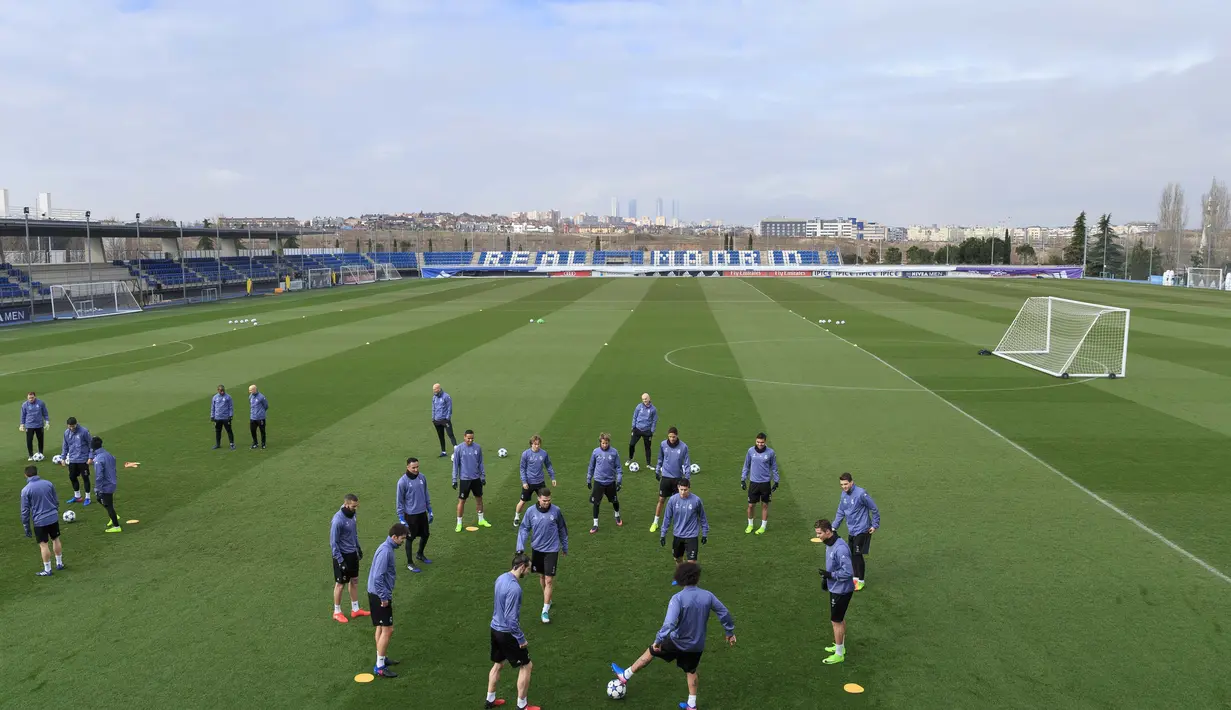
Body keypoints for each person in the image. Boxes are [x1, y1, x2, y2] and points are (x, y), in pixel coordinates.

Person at [610, 563, 735, 710]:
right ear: (697, 577)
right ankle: (691, 705)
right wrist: (729, 632)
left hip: (677, 642)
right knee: (691, 671)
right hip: (696, 645)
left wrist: (658, 640)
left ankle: (625, 675)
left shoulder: (678, 598)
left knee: (651, 651)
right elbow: (724, 613)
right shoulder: (708, 596)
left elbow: (669, 624)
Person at [487, 552, 540, 710]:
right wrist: (521, 638)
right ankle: (522, 706)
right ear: (522, 567)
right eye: (528, 569)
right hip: (506, 633)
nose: (528, 572)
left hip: (494, 629)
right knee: (526, 665)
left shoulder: (501, 578)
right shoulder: (515, 589)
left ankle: (490, 700)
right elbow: (511, 620)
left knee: (498, 664)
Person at [515, 488, 568, 624]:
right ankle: (547, 598)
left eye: (549, 500)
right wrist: (520, 547)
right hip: (537, 549)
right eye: (544, 501)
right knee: (542, 577)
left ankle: (545, 610)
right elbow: (524, 528)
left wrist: (565, 546)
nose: (547, 503)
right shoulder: (530, 512)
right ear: (538, 499)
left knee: (549, 580)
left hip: (552, 549)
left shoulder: (556, 511)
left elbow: (562, 528)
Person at [367, 523, 410, 678]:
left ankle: (382, 658)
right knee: (388, 629)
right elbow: (378, 577)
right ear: (394, 537)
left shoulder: (386, 547)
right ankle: (379, 666)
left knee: (380, 626)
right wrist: (384, 597)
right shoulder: (386, 552)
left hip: (375, 593)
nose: (402, 541)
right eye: (402, 539)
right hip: (380, 595)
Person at [815, 518, 854, 664]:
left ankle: (839, 654)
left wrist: (831, 575)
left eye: (819, 533)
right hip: (836, 587)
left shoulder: (840, 548)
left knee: (836, 621)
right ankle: (840, 647)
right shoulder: (829, 542)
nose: (818, 536)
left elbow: (848, 572)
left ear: (828, 531)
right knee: (839, 618)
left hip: (841, 590)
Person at [832, 472, 880, 591]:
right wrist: (833, 527)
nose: (844, 487)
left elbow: (874, 508)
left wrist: (875, 525)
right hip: (852, 530)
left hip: (863, 529)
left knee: (857, 555)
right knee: (852, 554)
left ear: (852, 482)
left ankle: (861, 581)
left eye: (846, 484)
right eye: (842, 484)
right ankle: (855, 578)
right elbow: (840, 512)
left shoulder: (861, 494)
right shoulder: (843, 495)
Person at [330, 493, 371, 624]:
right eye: (353, 506)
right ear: (346, 504)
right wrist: (340, 561)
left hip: (352, 554)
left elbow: (354, 533)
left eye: (356, 506)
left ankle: (355, 609)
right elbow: (333, 543)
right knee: (340, 584)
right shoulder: (338, 520)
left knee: (354, 581)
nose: (355, 508)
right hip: (342, 556)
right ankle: (337, 612)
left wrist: (357, 548)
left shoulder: (352, 514)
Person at [660, 479, 708, 583]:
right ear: (678, 488)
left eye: (685, 490)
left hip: (692, 535)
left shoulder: (696, 501)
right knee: (678, 559)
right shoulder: (672, 500)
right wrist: (663, 534)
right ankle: (680, 576)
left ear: (689, 488)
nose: (683, 492)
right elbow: (667, 518)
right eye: (681, 489)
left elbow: (703, 517)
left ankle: (691, 584)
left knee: (691, 563)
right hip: (678, 535)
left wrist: (704, 533)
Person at [21, 465, 65, 577]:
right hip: (53, 517)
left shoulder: (26, 490)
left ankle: (47, 569)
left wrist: (26, 526)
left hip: (40, 521)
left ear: (26, 475)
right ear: (36, 473)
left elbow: (25, 511)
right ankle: (59, 563)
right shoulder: (48, 483)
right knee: (56, 539)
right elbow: (56, 500)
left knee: (43, 545)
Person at [396, 457, 434, 572]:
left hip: (422, 512)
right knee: (410, 538)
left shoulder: (422, 477)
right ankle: (410, 562)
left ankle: (420, 554)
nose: (416, 469)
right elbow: (399, 501)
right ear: (407, 467)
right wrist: (401, 518)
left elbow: (426, 493)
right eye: (413, 467)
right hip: (411, 515)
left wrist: (430, 510)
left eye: (417, 467)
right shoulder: (402, 482)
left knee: (426, 534)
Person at [650, 427, 690, 533]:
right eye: (670, 436)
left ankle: (679, 524)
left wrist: (687, 478)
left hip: (677, 479)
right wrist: (657, 470)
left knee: (678, 502)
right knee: (661, 500)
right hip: (666, 477)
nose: (672, 439)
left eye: (673, 436)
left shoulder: (683, 447)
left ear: (677, 436)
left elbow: (686, 463)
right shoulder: (663, 445)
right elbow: (660, 458)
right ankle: (655, 522)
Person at [740, 432, 780, 535]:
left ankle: (763, 527)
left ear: (765, 442)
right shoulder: (750, 451)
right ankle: (750, 525)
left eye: (762, 442)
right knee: (750, 506)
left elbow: (774, 467)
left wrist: (776, 481)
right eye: (758, 442)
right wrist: (743, 479)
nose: (760, 444)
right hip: (753, 482)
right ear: (755, 441)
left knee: (765, 505)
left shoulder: (770, 453)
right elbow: (746, 465)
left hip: (765, 483)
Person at [513, 435, 556, 528]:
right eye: (535, 444)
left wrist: (553, 478)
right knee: (522, 501)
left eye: (538, 444)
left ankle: (548, 518)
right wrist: (524, 482)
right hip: (529, 483)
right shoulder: (526, 454)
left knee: (545, 501)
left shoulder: (544, 453)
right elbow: (522, 469)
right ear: (531, 444)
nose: (537, 446)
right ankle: (516, 517)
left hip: (540, 482)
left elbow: (548, 465)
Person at [452, 430, 490, 532]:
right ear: (464, 437)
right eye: (468, 438)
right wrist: (454, 479)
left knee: (479, 499)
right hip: (465, 480)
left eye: (472, 438)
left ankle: (481, 519)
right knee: (462, 501)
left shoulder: (477, 448)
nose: (470, 440)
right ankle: (459, 523)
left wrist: (483, 477)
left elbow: (480, 463)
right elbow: (455, 465)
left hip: (476, 479)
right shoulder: (459, 449)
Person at [586, 432, 623, 534]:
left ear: (609, 442)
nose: (605, 445)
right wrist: (589, 479)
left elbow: (619, 468)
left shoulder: (614, 452)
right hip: (598, 482)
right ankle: (595, 524)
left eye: (606, 443)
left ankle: (617, 515)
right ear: (600, 443)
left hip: (610, 482)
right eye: (603, 443)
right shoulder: (595, 452)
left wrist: (619, 481)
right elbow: (591, 466)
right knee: (596, 503)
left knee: (615, 501)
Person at [89, 436, 122, 533]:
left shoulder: (98, 459)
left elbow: (99, 476)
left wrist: (97, 489)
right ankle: (114, 516)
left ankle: (116, 526)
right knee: (101, 499)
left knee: (108, 504)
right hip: (112, 481)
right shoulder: (108, 454)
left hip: (106, 485)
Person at [60, 417, 92, 506]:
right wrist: (63, 457)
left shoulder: (84, 432)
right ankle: (77, 496)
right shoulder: (66, 433)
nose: (71, 428)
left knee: (85, 478)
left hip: (83, 460)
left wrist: (90, 457)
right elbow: (65, 446)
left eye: (73, 426)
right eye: (70, 426)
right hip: (73, 459)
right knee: (72, 477)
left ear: (76, 424)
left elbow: (91, 444)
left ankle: (88, 497)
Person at [628, 392, 657, 469]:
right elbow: (635, 416)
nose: (644, 400)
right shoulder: (639, 407)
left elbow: (654, 420)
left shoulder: (653, 409)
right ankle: (630, 459)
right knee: (631, 444)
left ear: (649, 398)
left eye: (646, 399)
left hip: (647, 431)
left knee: (647, 448)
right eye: (643, 399)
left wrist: (652, 431)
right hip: (637, 429)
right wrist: (633, 427)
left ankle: (648, 464)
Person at [21, 391, 50, 461]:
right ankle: (30, 455)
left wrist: (47, 422)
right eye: (29, 398)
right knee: (29, 440)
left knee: (40, 440)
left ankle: (41, 453)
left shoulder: (41, 403)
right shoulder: (24, 405)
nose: (31, 399)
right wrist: (22, 424)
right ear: (27, 397)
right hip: (29, 425)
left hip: (39, 425)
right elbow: (23, 415)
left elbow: (45, 413)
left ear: (35, 397)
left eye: (32, 398)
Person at [432, 383, 456, 458]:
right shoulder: (434, 398)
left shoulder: (446, 396)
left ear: (439, 388)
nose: (434, 391)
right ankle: (443, 451)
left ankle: (456, 449)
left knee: (450, 434)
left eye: (435, 389)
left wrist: (447, 418)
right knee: (441, 436)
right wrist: (433, 418)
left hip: (445, 420)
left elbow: (449, 407)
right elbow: (433, 408)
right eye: (433, 389)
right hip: (437, 420)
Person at [210, 385, 235, 450]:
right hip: (218, 418)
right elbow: (213, 407)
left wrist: (230, 415)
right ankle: (218, 444)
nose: (222, 392)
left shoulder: (228, 397)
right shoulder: (215, 397)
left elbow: (230, 407)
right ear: (218, 390)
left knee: (229, 431)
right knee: (218, 431)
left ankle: (232, 444)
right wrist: (212, 416)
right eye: (221, 391)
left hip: (226, 418)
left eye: (223, 390)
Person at [248, 384, 269, 450]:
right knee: (253, 431)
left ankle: (263, 444)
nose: (249, 391)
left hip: (260, 418)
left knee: (262, 431)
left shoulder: (261, 397)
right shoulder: (250, 396)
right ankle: (255, 443)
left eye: (251, 390)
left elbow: (266, 406)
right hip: (253, 417)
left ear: (254, 389)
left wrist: (261, 412)